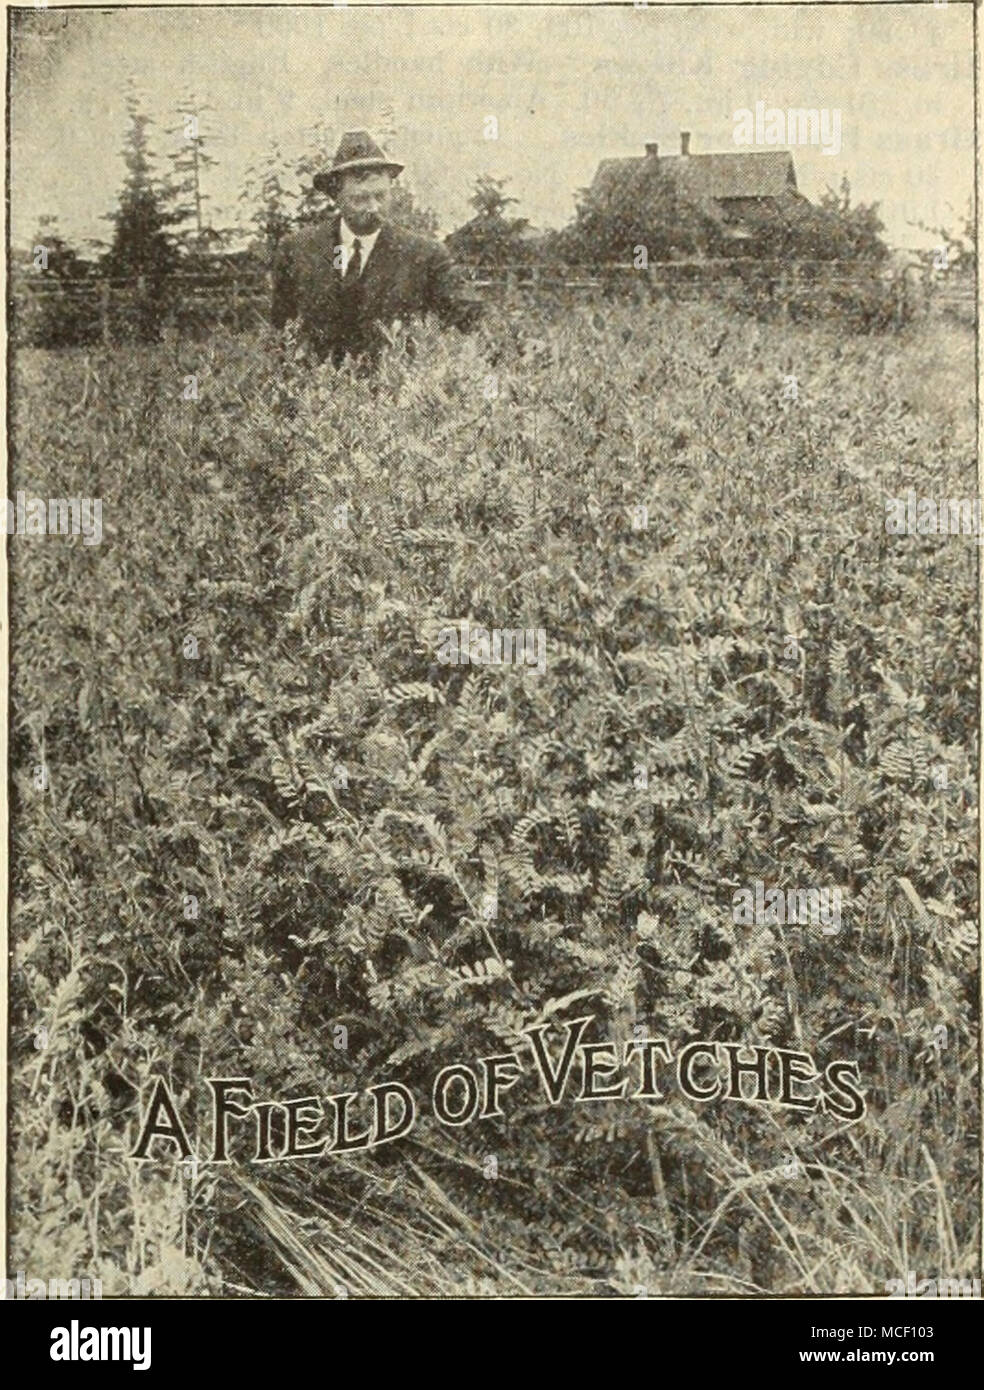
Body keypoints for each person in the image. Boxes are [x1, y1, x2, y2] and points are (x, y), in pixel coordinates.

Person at [271, 130, 481, 364]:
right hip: (316, 391)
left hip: (394, 391)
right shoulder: (297, 250)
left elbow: (470, 319)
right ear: (337, 197)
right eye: (359, 199)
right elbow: (281, 328)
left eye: (380, 196)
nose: (372, 207)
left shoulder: (425, 254)